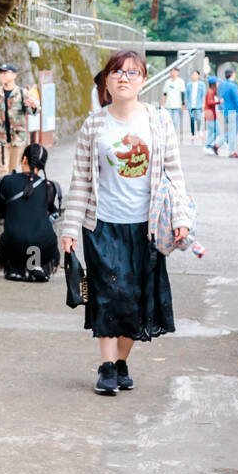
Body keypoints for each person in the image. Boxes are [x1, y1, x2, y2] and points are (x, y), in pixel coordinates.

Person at [61, 49, 190, 396]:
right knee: (107, 294)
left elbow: (173, 176)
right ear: (106, 80)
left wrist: (180, 218)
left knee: (136, 299)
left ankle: (120, 362)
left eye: (132, 73)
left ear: (143, 81)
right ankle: (105, 367)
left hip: (145, 226)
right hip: (101, 224)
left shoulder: (159, 122)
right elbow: (81, 182)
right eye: (116, 72)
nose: (123, 78)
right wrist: (70, 228)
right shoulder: (94, 125)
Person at [0, 141, 61, 282]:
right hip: (44, 245)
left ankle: (15, 270)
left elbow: (0, 212)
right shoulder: (49, 187)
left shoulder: (7, 181)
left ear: (24, 159)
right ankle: (36, 266)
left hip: (14, 243)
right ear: (42, 165)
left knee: (14, 237)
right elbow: (52, 213)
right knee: (36, 238)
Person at [0, 63, 38, 179]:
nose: (2, 75)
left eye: (5, 72)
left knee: (13, 170)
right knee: (2, 171)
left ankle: (12, 194)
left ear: (14, 75)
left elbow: (33, 111)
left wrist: (34, 106)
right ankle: (3, 194)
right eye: (0, 73)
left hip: (18, 139)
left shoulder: (22, 93)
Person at [217, 67, 238, 158]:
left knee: (232, 131)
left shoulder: (222, 84)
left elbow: (222, 95)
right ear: (232, 74)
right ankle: (230, 150)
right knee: (233, 131)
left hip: (225, 109)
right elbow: (236, 100)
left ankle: (218, 145)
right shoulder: (233, 85)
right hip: (233, 110)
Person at [161, 65, 187, 142]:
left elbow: (182, 93)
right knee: (167, 121)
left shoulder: (181, 81)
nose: (173, 73)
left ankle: (173, 136)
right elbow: (165, 94)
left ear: (178, 72)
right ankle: (168, 135)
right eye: (171, 71)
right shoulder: (167, 82)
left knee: (175, 121)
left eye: (175, 71)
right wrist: (162, 104)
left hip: (177, 105)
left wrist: (183, 103)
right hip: (168, 105)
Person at [186, 69, 206, 141]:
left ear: (198, 75)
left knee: (199, 118)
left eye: (196, 74)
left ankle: (199, 130)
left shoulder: (201, 84)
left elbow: (203, 95)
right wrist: (185, 103)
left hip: (199, 104)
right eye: (193, 74)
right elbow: (186, 95)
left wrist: (204, 104)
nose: (194, 76)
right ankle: (192, 134)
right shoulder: (189, 84)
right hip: (190, 105)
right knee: (192, 119)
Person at [203, 76, 221, 154]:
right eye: (217, 82)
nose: (218, 83)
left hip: (209, 113)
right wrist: (219, 102)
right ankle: (207, 145)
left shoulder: (211, 91)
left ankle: (208, 146)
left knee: (211, 132)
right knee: (218, 131)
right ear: (213, 84)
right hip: (210, 114)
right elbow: (210, 102)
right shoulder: (210, 91)